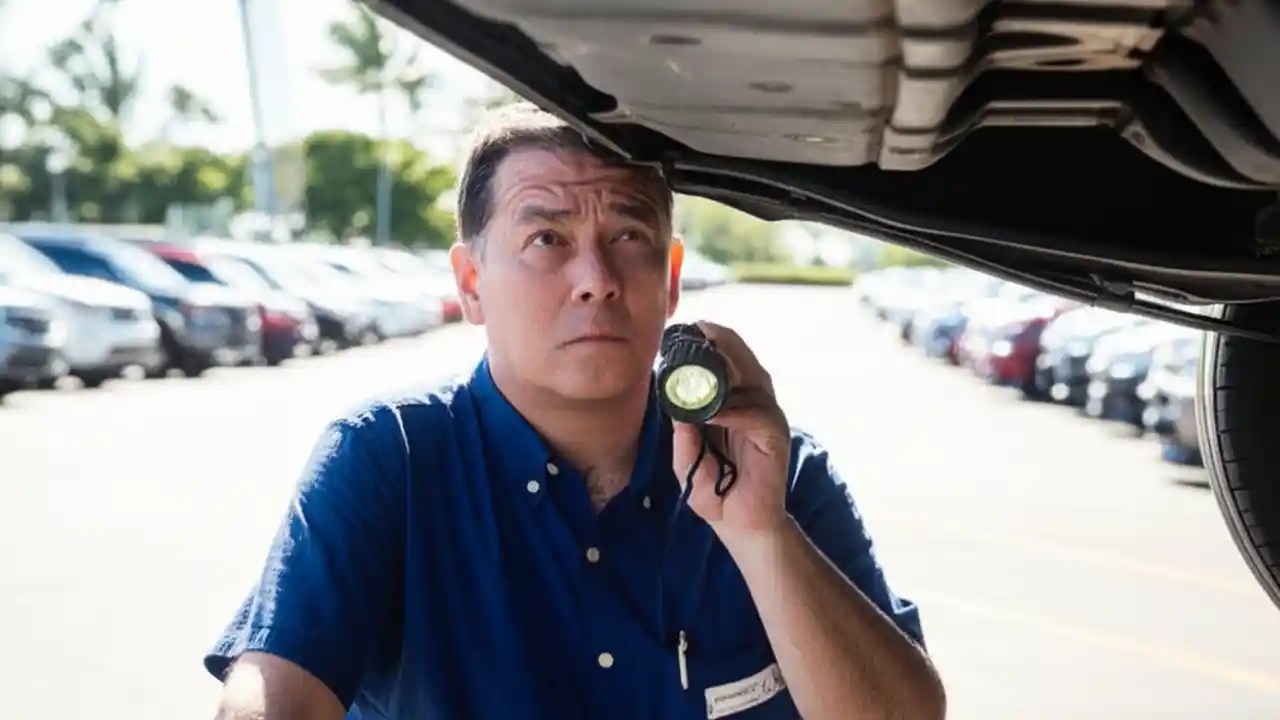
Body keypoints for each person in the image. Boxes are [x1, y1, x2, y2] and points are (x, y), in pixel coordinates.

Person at [207, 103, 945, 720]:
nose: (595, 279)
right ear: (470, 282)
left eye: (628, 236)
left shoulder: (772, 470)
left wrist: (760, 535)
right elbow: (274, 696)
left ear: (672, 276)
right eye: (545, 239)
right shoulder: (391, 457)